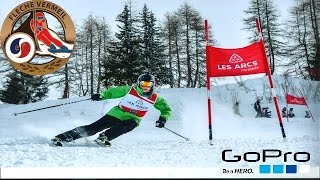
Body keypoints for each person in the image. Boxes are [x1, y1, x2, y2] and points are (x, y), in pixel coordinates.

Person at [51, 72, 172, 147]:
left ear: (152, 85)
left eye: (148, 85)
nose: (145, 87)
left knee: (130, 125)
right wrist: (102, 95)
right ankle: (63, 137)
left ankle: (105, 137)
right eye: (143, 84)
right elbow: (114, 92)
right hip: (117, 113)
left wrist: (162, 119)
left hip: (133, 118)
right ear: (139, 83)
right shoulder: (131, 90)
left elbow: (166, 109)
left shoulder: (155, 98)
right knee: (94, 128)